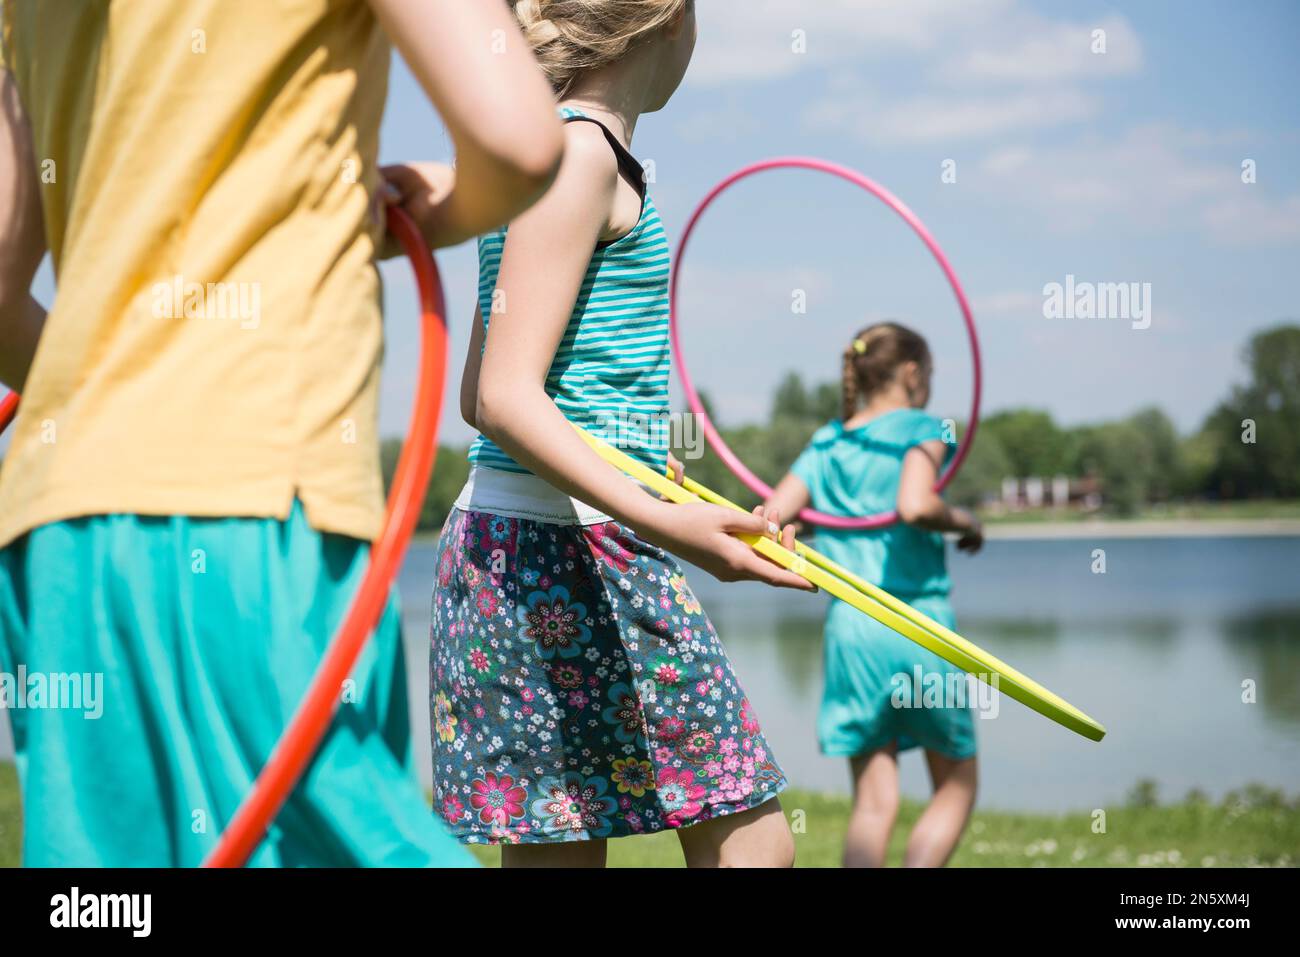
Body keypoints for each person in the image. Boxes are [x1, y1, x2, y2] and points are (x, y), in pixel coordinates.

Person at [0, 0, 562, 867]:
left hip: (60, 520)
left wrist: (122, 411)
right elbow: (520, 141)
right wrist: (424, 212)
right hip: (252, 495)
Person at [429, 0, 809, 868]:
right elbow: (501, 399)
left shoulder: (545, 152)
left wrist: (641, 457)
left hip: (523, 545)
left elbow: (489, 394)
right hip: (564, 549)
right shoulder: (581, 157)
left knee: (565, 852)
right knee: (755, 848)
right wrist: (664, 520)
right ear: (671, 19)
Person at [765, 322, 984, 867]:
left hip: (854, 630)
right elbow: (914, 506)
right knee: (956, 786)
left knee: (872, 804)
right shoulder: (925, 427)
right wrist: (966, 520)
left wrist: (835, 529)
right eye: (929, 375)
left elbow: (769, 520)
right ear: (912, 374)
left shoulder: (829, 441)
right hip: (921, 628)